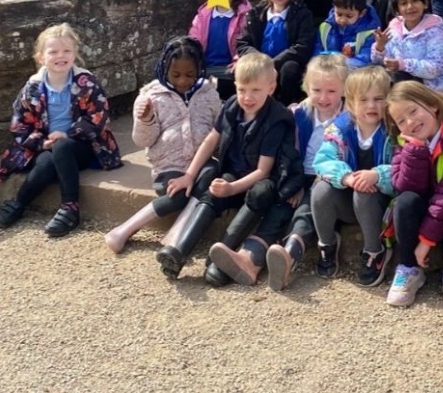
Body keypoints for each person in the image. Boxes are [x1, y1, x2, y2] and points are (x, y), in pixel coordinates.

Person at [154, 52, 300, 282]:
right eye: (242, 90)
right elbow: (212, 139)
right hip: (236, 172)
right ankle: (179, 251)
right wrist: (190, 175)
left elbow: (263, 170)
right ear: (235, 87)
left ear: (270, 88)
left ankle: (220, 262)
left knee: (259, 192)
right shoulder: (232, 106)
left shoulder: (277, 118)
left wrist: (232, 189)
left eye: (255, 90)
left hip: (264, 182)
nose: (247, 97)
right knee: (213, 190)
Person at [0, 24, 122, 236]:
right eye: (53, 52)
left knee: (62, 146)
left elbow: (97, 118)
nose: (60, 56)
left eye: (67, 51)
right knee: (46, 161)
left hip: (83, 145)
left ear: (75, 54)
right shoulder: (33, 86)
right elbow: (20, 123)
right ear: (41, 57)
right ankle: (19, 202)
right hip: (46, 145)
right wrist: (40, 142)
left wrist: (68, 134)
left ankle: (70, 206)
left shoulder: (86, 82)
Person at [104, 36, 222, 253]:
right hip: (168, 167)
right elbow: (142, 140)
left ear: (199, 70)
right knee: (179, 196)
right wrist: (146, 119)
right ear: (164, 69)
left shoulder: (209, 94)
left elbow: (218, 130)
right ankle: (124, 230)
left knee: (213, 171)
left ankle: (177, 230)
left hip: (201, 164)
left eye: (190, 75)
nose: (183, 81)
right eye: (175, 75)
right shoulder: (150, 97)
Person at [283, 64, 396, 289]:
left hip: (382, 203)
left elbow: (404, 167)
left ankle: (374, 250)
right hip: (347, 200)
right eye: (363, 100)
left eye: (379, 99)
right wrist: (346, 178)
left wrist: (377, 174)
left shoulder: (393, 130)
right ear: (351, 103)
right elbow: (322, 162)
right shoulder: (340, 129)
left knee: (364, 193)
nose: (371, 106)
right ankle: (327, 244)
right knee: (320, 189)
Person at [255, 55, 348, 285]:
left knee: (306, 209)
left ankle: (290, 253)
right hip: (300, 174)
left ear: (344, 90)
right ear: (307, 87)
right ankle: (252, 253)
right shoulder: (299, 114)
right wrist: (293, 183)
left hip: (330, 179)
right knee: (283, 203)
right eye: (317, 90)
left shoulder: (348, 118)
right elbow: (289, 152)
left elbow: (347, 158)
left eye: (332, 91)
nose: (324, 98)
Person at [384, 81, 443, 313]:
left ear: (433, 105)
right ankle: (408, 268)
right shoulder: (405, 144)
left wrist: (426, 241)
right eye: (401, 121)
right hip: (423, 215)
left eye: (413, 111)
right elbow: (402, 185)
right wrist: (415, 152)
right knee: (405, 201)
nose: (410, 123)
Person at [236, 0, 315, 104]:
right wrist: (259, 61)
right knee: (242, 67)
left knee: (290, 69)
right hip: (259, 65)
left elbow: (303, 46)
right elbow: (243, 43)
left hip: (284, 65)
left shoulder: (302, 15)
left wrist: (272, 63)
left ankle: (285, 106)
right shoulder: (254, 15)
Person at [370, 0, 443, 92]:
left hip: (429, 87)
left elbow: (435, 68)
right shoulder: (394, 29)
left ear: (425, 3)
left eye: (415, 1)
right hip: (400, 81)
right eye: (403, 3)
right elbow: (378, 61)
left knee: (398, 79)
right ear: (397, 10)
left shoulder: (434, 31)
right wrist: (380, 47)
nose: (410, 7)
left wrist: (402, 64)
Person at [187, 0, 251, 100]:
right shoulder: (202, 16)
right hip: (205, 67)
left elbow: (247, 42)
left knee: (224, 89)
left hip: (230, 69)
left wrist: (240, 60)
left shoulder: (244, 16)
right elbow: (194, 38)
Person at [316, 0, 380, 66]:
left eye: (349, 16)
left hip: (354, 74)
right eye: (339, 14)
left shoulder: (370, 33)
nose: (342, 20)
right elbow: (317, 54)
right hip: (328, 71)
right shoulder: (325, 28)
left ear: (362, 13)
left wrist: (339, 63)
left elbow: (365, 60)